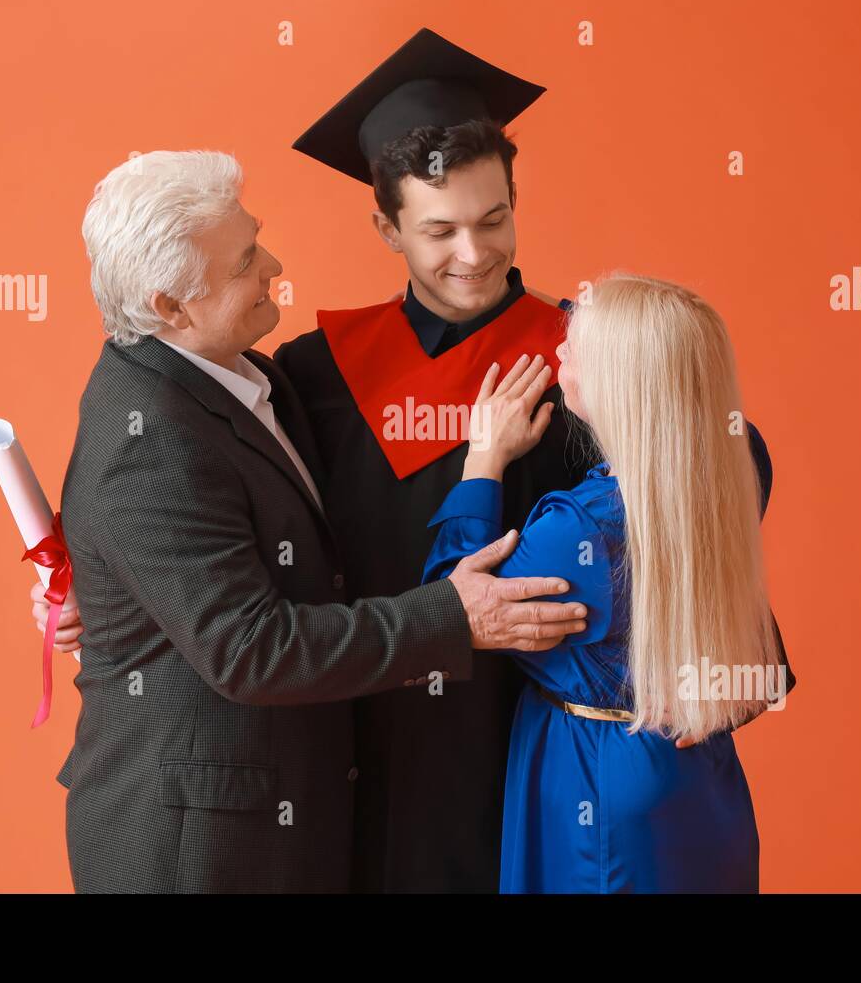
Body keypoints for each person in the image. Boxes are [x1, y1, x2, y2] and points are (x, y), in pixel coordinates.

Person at [36, 28, 795, 892]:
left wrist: (724, 647)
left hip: (526, 741)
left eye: (493, 218)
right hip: (354, 744)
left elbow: (707, 469)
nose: (472, 255)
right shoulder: (312, 376)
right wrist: (103, 588)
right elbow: (222, 534)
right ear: (387, 227)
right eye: (437, 230)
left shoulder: (593, 363)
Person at [47, 149, 588, 893]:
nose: (273, 263)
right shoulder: (150, 443)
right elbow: (249, 649)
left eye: (257, 237)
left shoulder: (255, 377)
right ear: (170, 305)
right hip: (197, 843)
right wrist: (455, 615)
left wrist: (96, 583)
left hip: (296, 809)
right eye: (244, 262)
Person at [422, 274, 789, 892]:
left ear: (618, 383)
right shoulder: (740, 459)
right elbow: (673, 364)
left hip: (598, 777)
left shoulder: (580, 530)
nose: (558, 345)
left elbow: (452, 603)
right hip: (696, 773)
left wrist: (482, 460)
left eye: (577, 344)